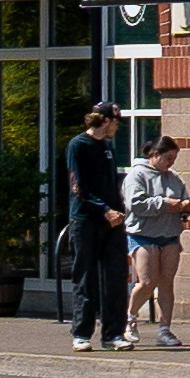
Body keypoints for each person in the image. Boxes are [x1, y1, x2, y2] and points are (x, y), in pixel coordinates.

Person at [60, 102, 130, 349]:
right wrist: (104, 210)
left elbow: (111, 183)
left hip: (112, 222)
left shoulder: (107, 147)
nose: (118, 127)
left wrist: (118, 210)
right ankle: (81, 333)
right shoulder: (78, 145)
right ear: (106, 121)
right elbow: (78, 187)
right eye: (117, 122)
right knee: (86, 278)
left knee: (115, 277)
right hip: (86, 221)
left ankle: (113, 334)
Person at [121, 127, 190, 348]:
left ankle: (165, 329)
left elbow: (184, 200)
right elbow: (135, 203)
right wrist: (164, 204)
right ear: (154, 154)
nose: (170, 163)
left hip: (169, 235)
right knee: (147, 281)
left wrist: (185, 207)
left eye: (174, 159)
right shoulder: (137, 174)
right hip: (143, 234)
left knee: (166, 282)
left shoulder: (173, 178)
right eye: (168, 158)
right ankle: (130, 319)